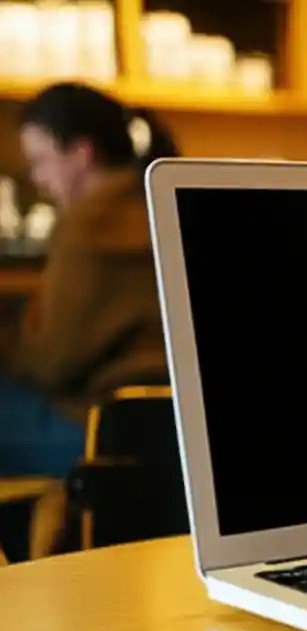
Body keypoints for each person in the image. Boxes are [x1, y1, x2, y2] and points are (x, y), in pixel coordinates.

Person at [0, 82, 175, 559]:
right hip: (161, 431)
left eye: (41, 161)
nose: (38, 180)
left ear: (80, 153)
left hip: (99, 430)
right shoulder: (153, 202)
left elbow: (50, 362)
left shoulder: (90, 223)